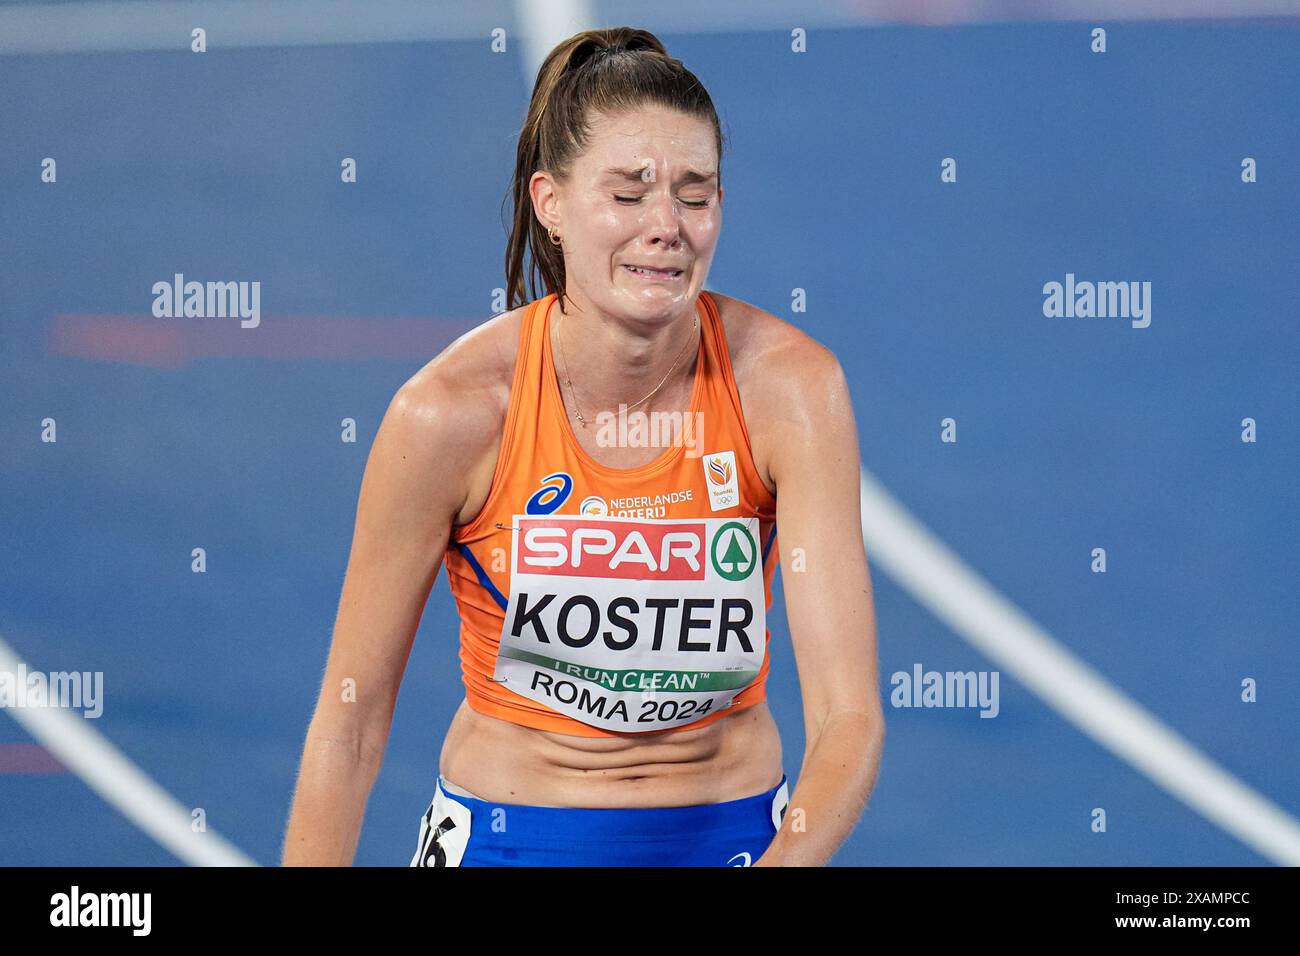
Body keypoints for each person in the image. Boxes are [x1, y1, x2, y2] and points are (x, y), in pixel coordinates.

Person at [281, 26, 883, 867]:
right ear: (550, 202)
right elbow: (349, 722)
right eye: (629, 193)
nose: (666, 227)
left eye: (694, 193)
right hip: (511, 840)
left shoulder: (791, 392)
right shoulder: (450, 415)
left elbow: (848, 719)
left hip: (734, 842)